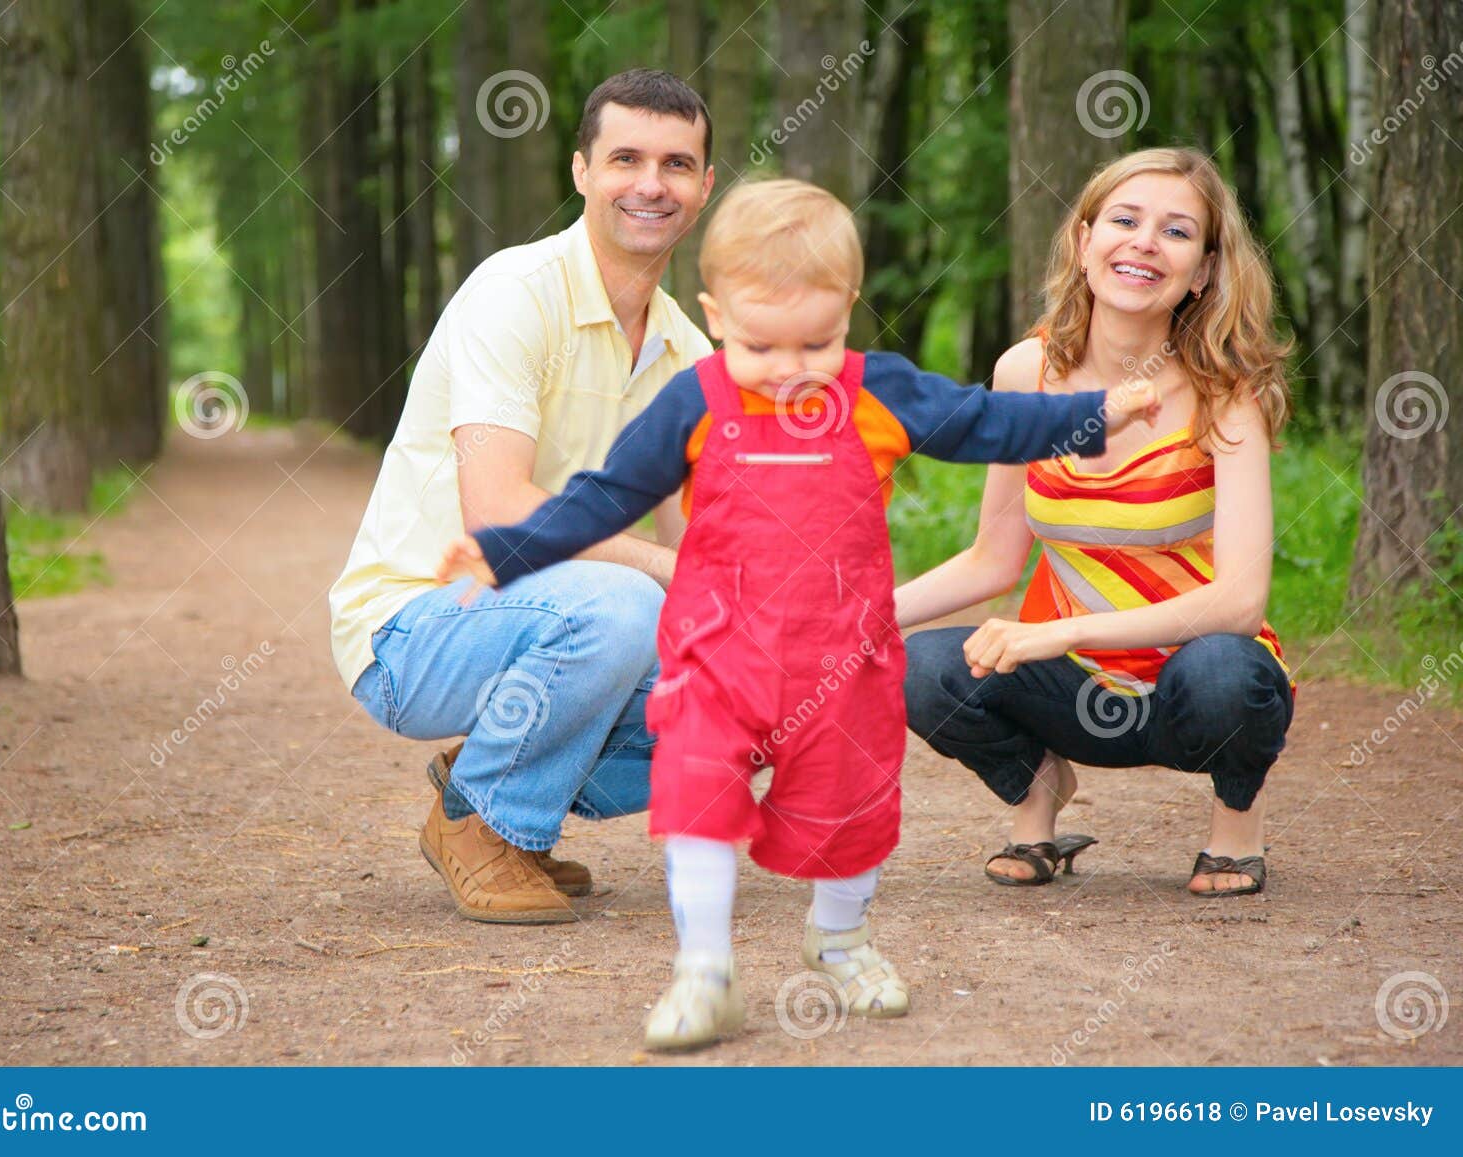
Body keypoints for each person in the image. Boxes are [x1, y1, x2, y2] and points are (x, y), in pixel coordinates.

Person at [437, 179, 1159, 1050]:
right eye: (758, 345)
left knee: (846, 808)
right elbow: (607, 494)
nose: (788, 370)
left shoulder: (881, 393)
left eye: (816, 343)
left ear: (850, 313)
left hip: (843, 661)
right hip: (718, 655)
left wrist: (1095, 413)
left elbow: (986, 422)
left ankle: (842, 936)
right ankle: (703, 973)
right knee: (697, 797)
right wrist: (511, 546)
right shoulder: (695, 398)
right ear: (714, 313)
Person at [329, 69, 715, 925]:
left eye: (677, 164)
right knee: (626, 602)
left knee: (753, 677)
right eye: (625, 158)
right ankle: (485, 822)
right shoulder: (515, 293)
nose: (651, 184)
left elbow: (702, 546)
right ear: (580, 171)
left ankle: (500, 787)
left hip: (548, 617)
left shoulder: (689, 351)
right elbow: (499, 513)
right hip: (414, 628)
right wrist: (665, 569)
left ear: (705, 186)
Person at [896, 147, 1295, 898]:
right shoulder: (1026, 374)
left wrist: (1062, 631)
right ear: (1085, 243)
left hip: (1190, 690)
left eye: (1177, 232)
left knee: (1226, 671)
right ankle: (1038, 796)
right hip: (1073, 692)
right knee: (923, 667)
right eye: (1124, 219)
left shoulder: (1227, 395)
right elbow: (992, 559)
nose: (1145, 241)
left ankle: (1236, 829)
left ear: (1204, 270)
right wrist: (863, 619)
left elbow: (1240, 602)